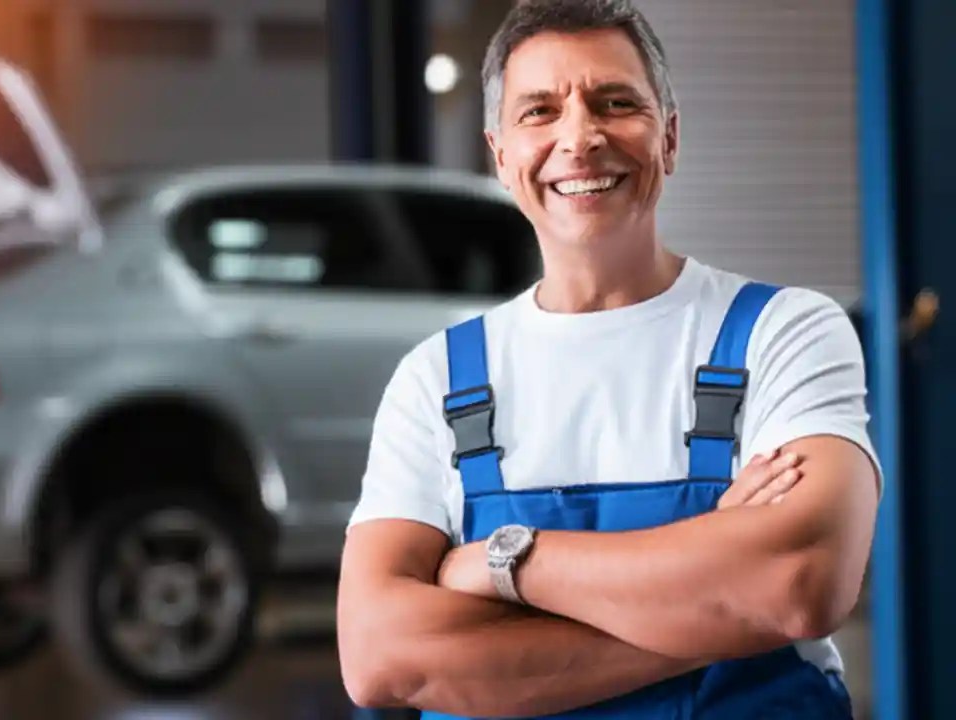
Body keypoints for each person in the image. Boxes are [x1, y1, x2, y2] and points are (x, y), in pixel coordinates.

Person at [336, 1, 880, 718]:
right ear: (500, 155)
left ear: (670, 138)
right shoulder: (436, 379)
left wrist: (502, 561)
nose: (581, 137)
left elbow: (801, 582)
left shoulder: (783, 334)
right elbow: (380, 656)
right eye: (539, 112)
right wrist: (721, 612)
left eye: (615, 102)